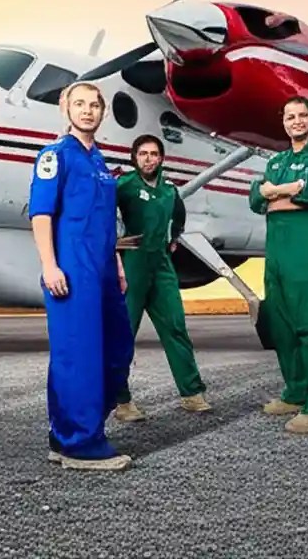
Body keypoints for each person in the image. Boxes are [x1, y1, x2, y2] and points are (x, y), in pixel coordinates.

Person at [29, 81, 135, 471]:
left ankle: (66, 432)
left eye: (94, 105)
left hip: (103, 269)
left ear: (102, 112)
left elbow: (105, 221)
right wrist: (49, 265)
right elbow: (40, 214)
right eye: (79, 104)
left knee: (118, 349)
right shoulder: (54, 156)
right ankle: (80, 443)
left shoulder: (99, 161)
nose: (87, 110)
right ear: (65, 109)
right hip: (71, 269)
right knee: (78, 355)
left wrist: (117, 263)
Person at [247, 96, 308, 434]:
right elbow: (255, 199)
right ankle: (296, 390)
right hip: (276, 253)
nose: (296, 121)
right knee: (281, 324)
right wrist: (286, 191)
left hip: (303, 250)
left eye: (302, 115)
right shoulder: (276, 160)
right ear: (283, 122)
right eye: (290, 117)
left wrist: (277, 192)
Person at [112, 134, 210, 422]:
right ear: (134, 157)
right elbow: (102, 214)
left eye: (154, 154)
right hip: (133, 263)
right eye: (143, 154)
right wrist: (113, 243)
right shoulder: (124, 185)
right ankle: (121, 401)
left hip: (162, 266)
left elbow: (178, 219)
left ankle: (192, 393)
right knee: (124, 333)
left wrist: (173, 238)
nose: (149, 159)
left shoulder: (169, 190)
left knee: (176, 327)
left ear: (161, 158)